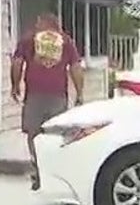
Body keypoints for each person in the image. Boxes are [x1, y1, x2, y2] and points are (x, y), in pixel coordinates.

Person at [10, 13, 85, 190]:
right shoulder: (66, 41)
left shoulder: (28, 39)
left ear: (42, 23)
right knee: (57, 134)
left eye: (38, 23)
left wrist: (15, 85)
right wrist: (79, 92)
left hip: (34, 95)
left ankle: (38, 169)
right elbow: (75, 67)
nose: (36, 26)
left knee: (34, 134)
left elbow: (17, 63)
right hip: (58, 96)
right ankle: (55, 173)